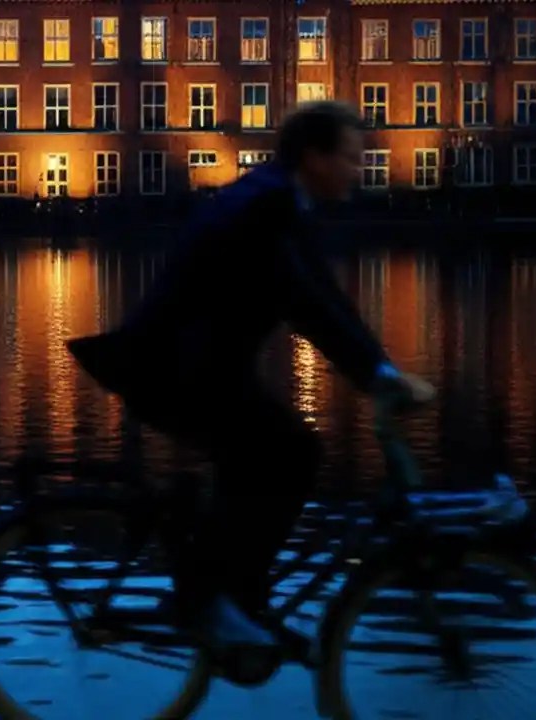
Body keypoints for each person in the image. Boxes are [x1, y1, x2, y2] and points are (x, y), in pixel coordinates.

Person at [66, 102, 435, 649]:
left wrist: (381, 367)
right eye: (350, 158)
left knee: (275, 456)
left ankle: (234, 597)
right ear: (314, 156)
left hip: (201, 366)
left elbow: (328, 297)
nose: (358, 171)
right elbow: (303, 302)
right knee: (288, 453)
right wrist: (377, 375)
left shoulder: (281, 200)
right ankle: (212, 606)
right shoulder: (267, 206)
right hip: (173, 368)